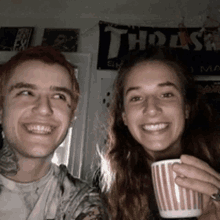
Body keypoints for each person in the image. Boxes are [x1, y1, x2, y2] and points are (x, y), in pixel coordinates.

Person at [99, 46, 220, 220]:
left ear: (186, 108)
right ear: (124, 116)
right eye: (136, 98)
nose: (151, 109)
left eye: (166, 94)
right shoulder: (107, 191)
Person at [0, 46, 107, 220]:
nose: (44, 109)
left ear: (72, 116)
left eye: (59, 96)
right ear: (1, 110)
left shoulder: (83, 204)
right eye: (26, 93)